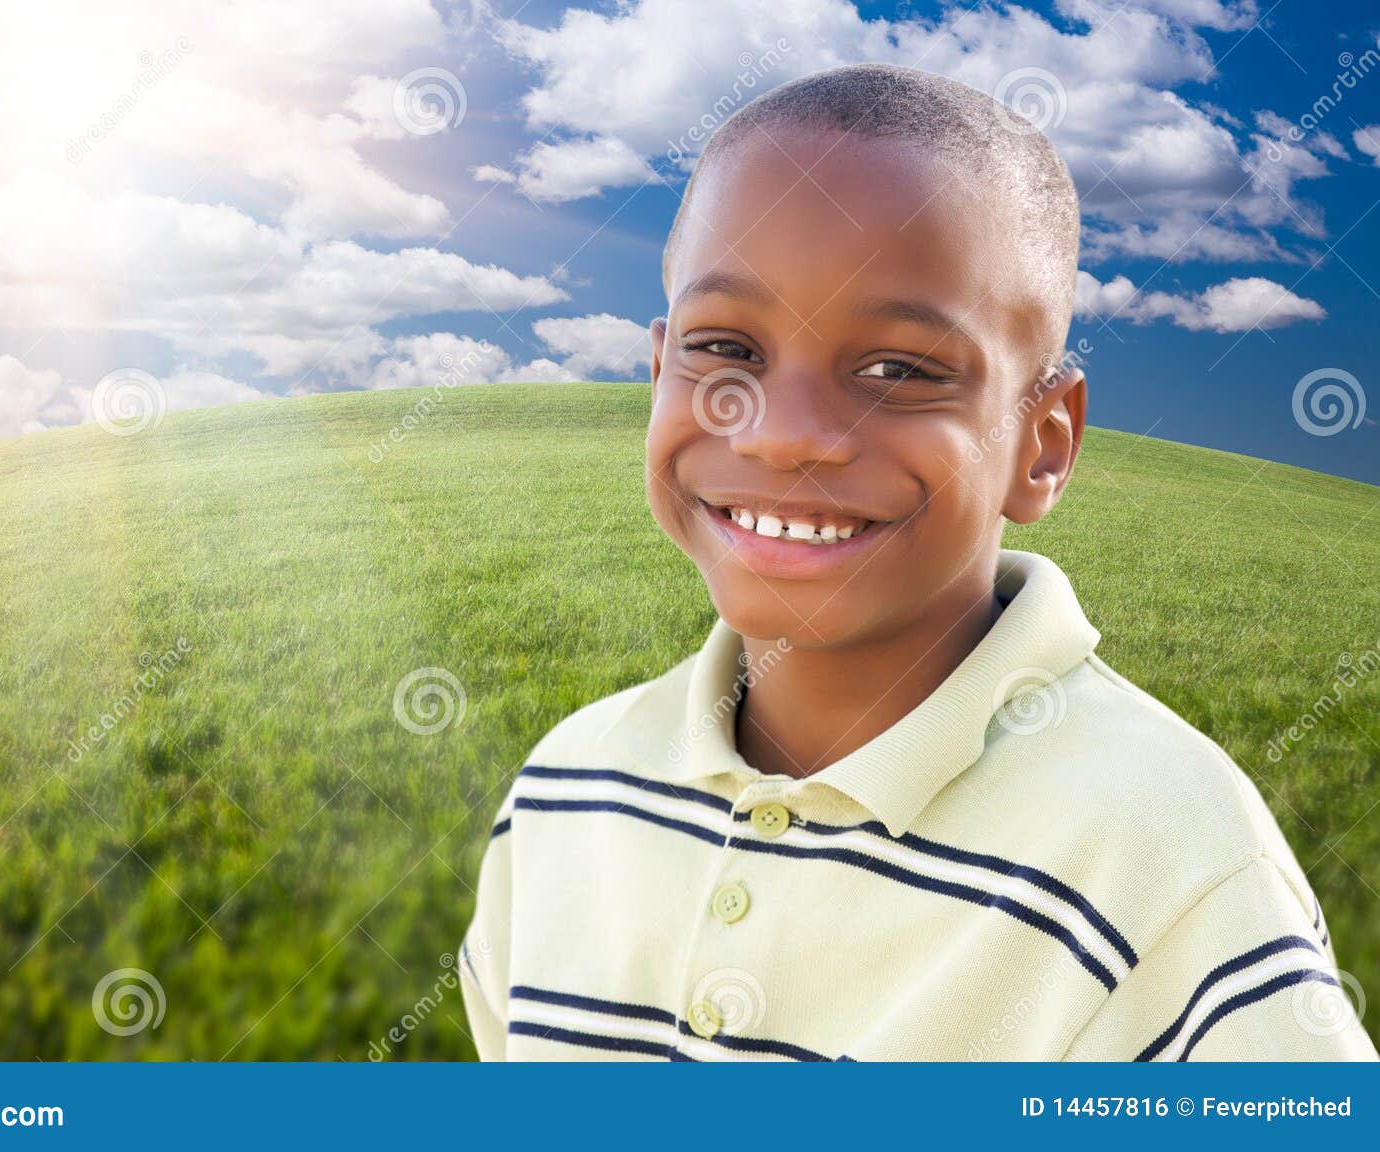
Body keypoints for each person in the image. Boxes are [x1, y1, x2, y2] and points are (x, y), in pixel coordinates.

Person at [458, 64, 1377, 1062]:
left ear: (1043, 443)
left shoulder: (1175, 863)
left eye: (897, 370)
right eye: (724, 348)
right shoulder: (566, 788)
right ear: (657, 370)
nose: (783, 437)